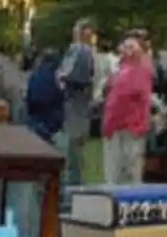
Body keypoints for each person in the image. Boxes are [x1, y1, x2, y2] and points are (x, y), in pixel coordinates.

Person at [102, 31, 155, 186]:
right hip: (115, 124)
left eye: (131, 47)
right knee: (114, 168)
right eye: (125, 46)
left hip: (132, 125)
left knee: (132, 167)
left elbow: (134, 92)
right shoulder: (121, 69)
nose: (126, 50)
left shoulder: (142, 68)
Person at [59, 19, 96, 186]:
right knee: (73, 150)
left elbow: (73, 76)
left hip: (76, 106)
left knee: (73, 150)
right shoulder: (83, 51)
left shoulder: (81, 51)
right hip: (78, 106)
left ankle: (72, 188)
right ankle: (73, 184)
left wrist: (62, 78)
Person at [26, 49, 65, 143]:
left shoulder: (35, 74)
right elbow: (60, 95)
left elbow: (29, 95)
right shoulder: (55, 74)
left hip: (36, 113)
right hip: (51, 113)